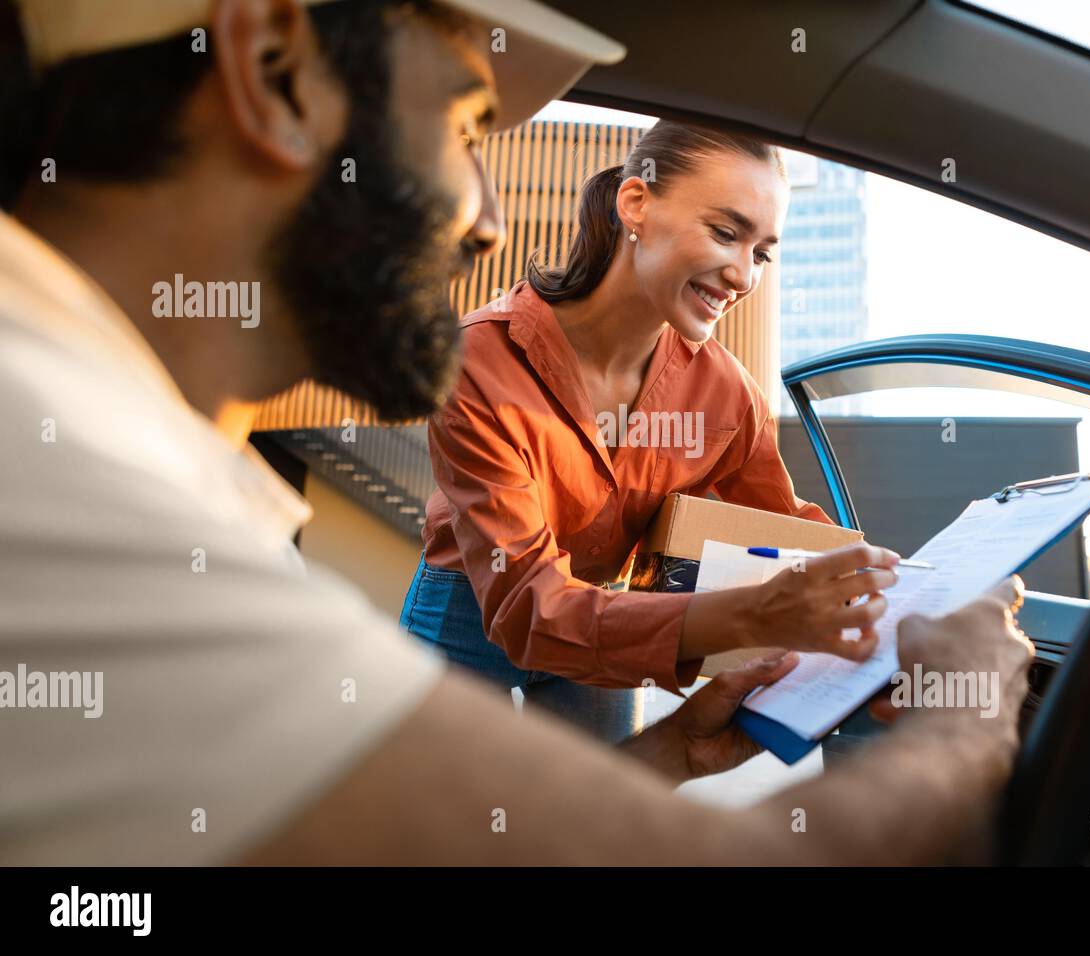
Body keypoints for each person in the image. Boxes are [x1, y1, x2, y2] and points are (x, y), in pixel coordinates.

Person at [0, 0, 1034, 865]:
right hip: (488, 614)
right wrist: (972, 723)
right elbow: (533, 619)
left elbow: (780, 527)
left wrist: (880, 598)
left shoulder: (113, 458)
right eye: (462, 127)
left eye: (762, 247)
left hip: (614, 634)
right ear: (275, 74)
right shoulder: (58, 485)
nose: (487, 217)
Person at [400, 120, 897, 742]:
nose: (744, 276)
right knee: (445, 828)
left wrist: (904, 600)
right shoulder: (479, 359)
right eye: (725, 232)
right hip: (470, 612)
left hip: (610, 618)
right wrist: (738, 618)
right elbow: (528, 607)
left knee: (599, 824)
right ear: (635, 203)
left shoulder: (724, 392)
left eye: (762, 252)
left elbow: (787, 529)